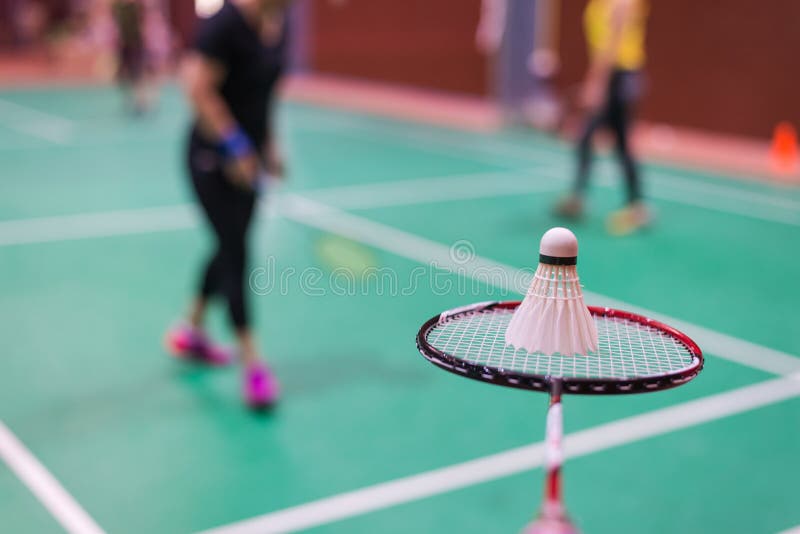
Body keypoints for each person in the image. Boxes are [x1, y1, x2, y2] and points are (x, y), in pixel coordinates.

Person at [165, 0, 289, 409]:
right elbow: (196, 88)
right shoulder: (224, 24)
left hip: (248, 163)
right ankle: (254, 366)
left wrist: (269, 145)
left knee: (227, 245)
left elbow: (264, 94)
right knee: (236, 250)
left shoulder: (277, 25)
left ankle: (190, 331)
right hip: (211, 159)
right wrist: (234, 145)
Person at [554, 0, 650, 235]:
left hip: (619, 77)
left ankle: (636, 207)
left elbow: (612, 44)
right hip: (616, 76)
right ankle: (582, 198)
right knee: (600, 139)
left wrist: (597, 83)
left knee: (608, 139)